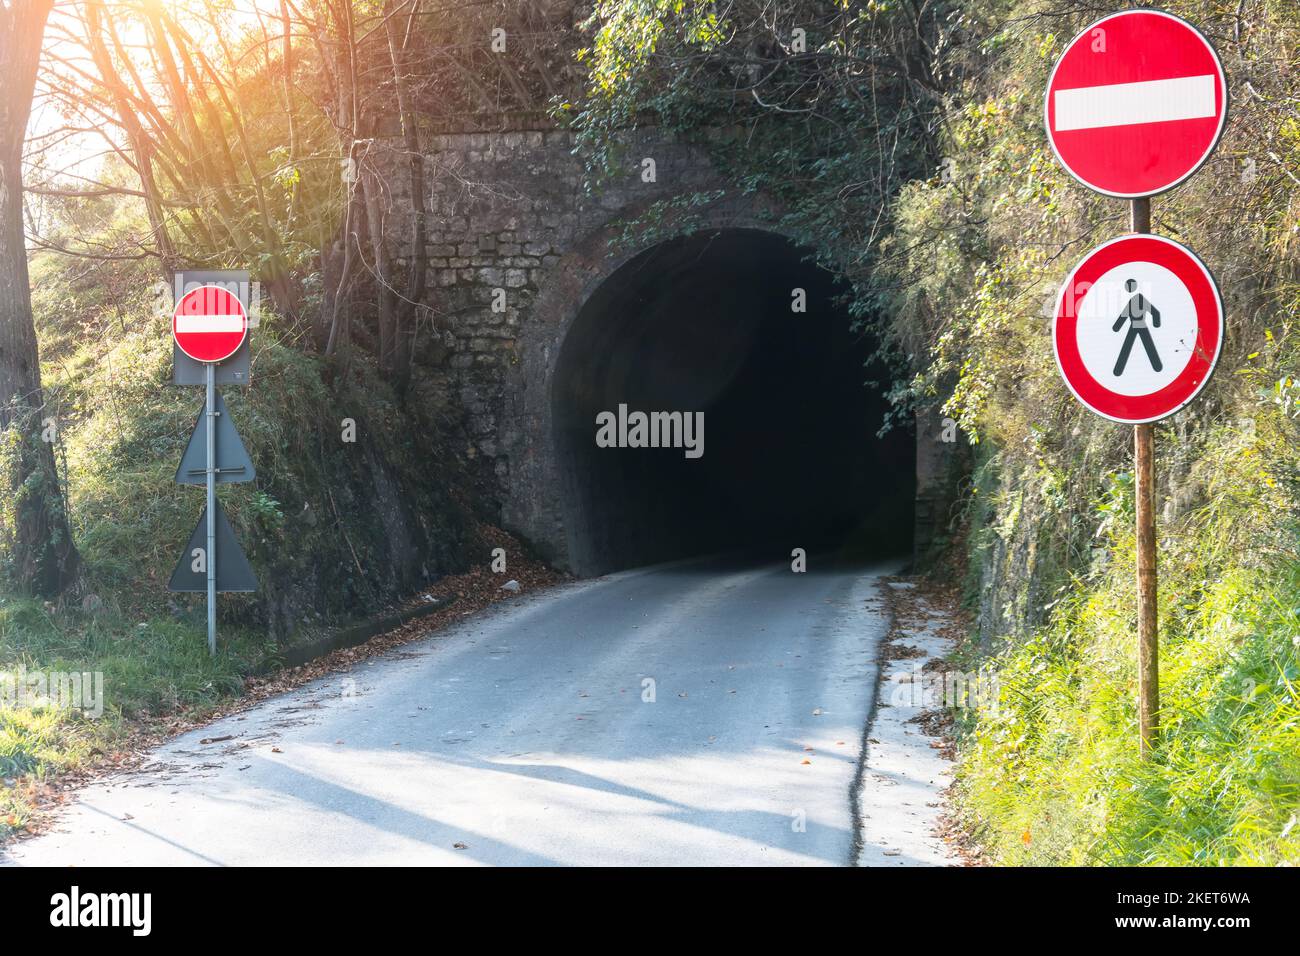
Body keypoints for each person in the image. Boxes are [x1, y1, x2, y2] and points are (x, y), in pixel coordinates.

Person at [1112, 278, 1162, 376]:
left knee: (1129, 347)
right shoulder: (1136, 300)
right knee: (1133, 346)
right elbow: (1155, 313)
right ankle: (1157, 367)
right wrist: (1156, 324)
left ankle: (1118, 371)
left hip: (1138, 326)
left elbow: (1124, 315)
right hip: (1139, 326)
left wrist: (1116, 327)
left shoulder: (1138, 300)